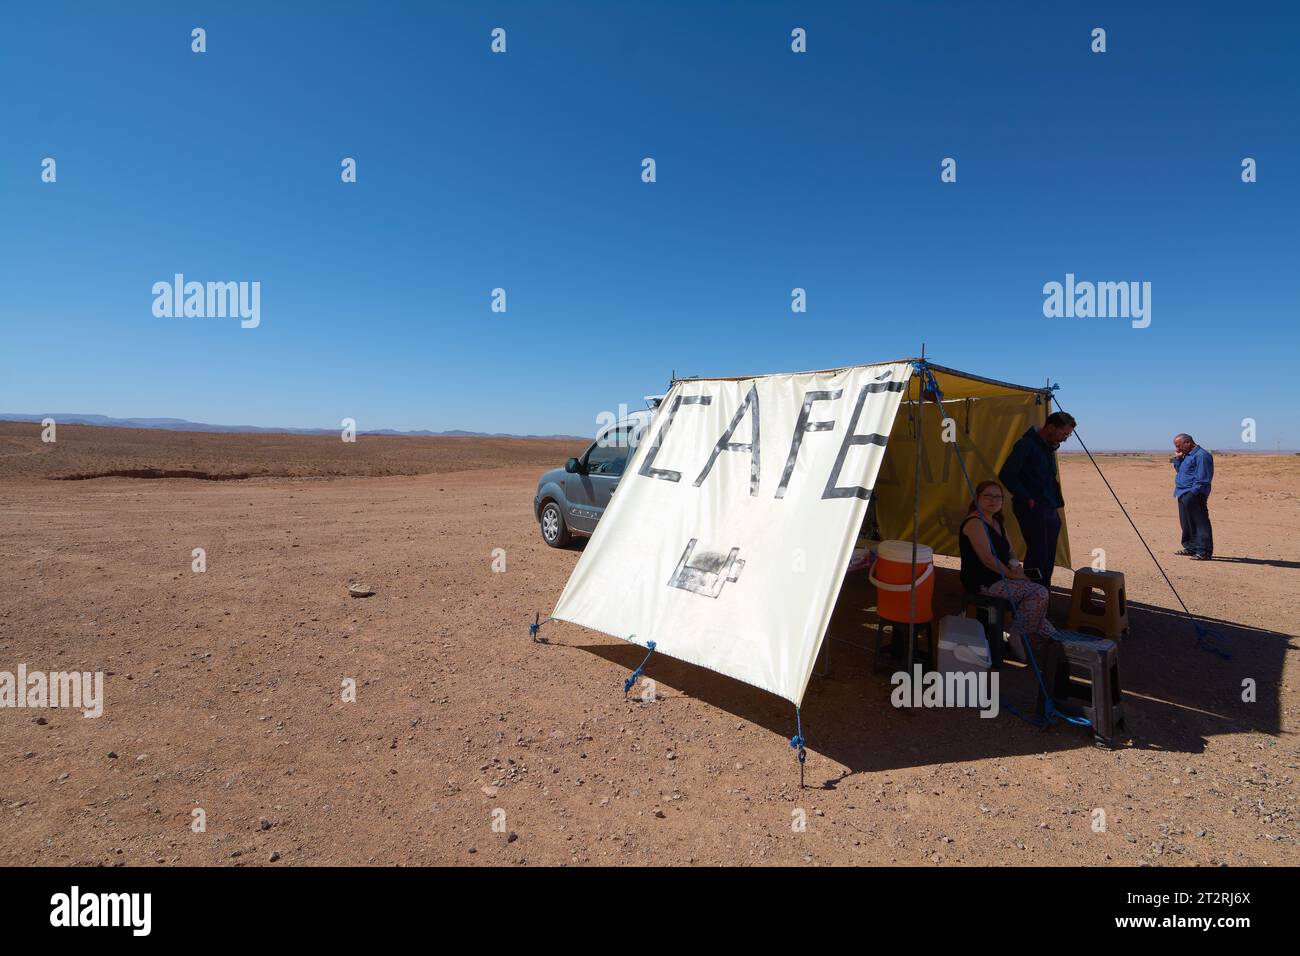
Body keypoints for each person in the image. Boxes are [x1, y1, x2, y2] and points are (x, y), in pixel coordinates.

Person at [959, 480, 1057, 645]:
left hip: (1000, 575)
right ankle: (1017, 634)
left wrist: (1016, 567)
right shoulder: (974, 523)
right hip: (984, 581)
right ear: (977, 498)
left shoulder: (996, 521)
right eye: (988, 496)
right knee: (1039, 593)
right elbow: (987, 559)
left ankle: (1042, 631)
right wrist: (1012, 574)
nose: (993, 500)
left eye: (998, 497)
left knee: (1037, 591)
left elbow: (1010, 551)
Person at [998, 411, 1075, 589]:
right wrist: (1027, 498)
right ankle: (1032, 595)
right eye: (1063, 433)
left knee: (1048, 556)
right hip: (1032, 508)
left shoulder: (1048, 447)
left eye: (1068, 435)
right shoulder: (1026, 445)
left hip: (1049, 508)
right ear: (1050, 428)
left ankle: (1043, 594)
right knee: (1037, 555)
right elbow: (1007, 474)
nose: (1065, 438)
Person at [1172, 432, 1214, 560]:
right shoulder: (1186, 456)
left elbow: (1203, 477)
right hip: (1182, 492)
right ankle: (1191, 547)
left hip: (1194, 494)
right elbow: (1181, 471)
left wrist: (1193, 492)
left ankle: (1204, 551)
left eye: (1179, 445)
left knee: (1200, 523)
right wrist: (1178, 459)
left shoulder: (1202, 455)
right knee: (1187, 523)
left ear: (1188, 443)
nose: (1177, 449)